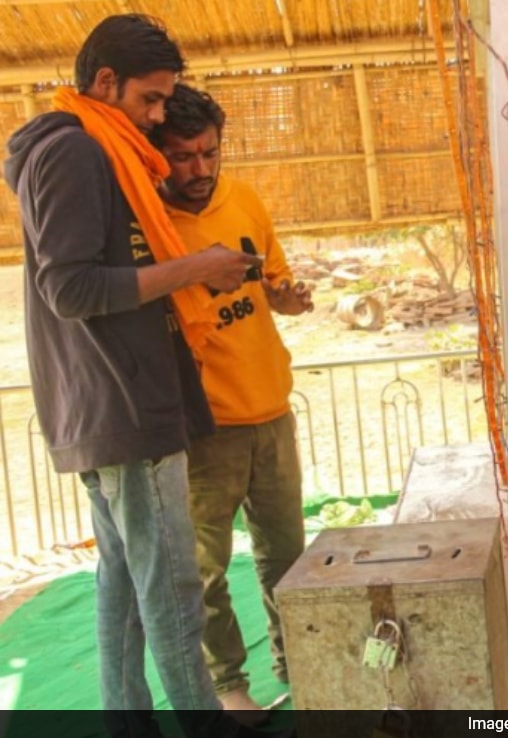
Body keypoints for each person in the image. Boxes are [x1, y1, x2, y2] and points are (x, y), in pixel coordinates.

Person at [3, 14, 280, 738]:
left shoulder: (101, 150)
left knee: (124, 587)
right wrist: (195, 267)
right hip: (119, 400)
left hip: (114, 400)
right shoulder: (75, 152)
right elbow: (71, 289)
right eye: (152, 100)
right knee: (172, 586)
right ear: (105, 83)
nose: (159, 117)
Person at [151, 84, 313, 724]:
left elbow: (270, 278)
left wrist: (287, 298)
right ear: (158, 155)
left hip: (272, 413)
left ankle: (298, 665)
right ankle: (228, 684)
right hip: (203, 432)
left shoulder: (243, 198)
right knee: (205, 574)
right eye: (183, 157)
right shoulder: (148, 224)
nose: (199, 169)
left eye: (208, 153)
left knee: (288, 557)